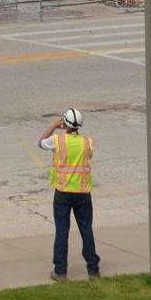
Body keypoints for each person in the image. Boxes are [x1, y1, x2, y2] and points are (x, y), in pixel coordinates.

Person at [39, 107, 100, 280]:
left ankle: (60, 271)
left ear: (64, 123)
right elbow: (89, 156)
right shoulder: (87, 142)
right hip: (82, 193)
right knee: (86, 230)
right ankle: (93, 270)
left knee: (62, 231)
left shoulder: (58, 141)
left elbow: (41, 142)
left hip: (63, 193)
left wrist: (53, 125)